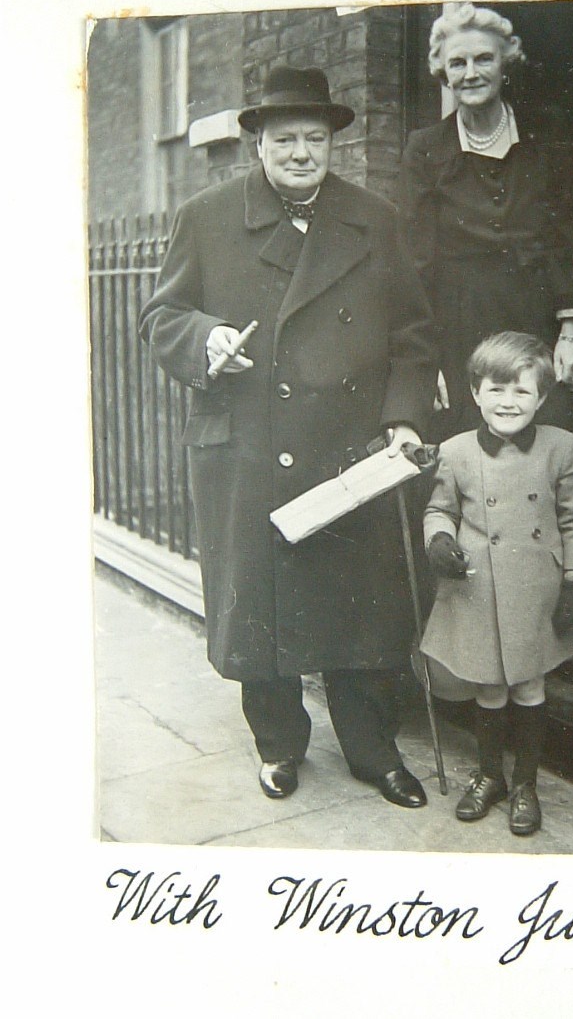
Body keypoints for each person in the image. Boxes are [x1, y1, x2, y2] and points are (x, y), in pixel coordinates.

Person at [139, 66, 437, 809]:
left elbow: (413, 333)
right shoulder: (207, 217)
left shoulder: (374, 218)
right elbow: (161, 317)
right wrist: (207, 340)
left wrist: (403, 418)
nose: (301, 153)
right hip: (251, 443)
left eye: (314, 139)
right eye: (284, 140)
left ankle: (373, 752)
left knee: (359, 611)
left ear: (334, 143)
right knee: (263, 611)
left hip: (350, 450)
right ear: (258, 145)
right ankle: (278, 746)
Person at [420, 332, 573, 835]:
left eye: (522, 390)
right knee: (489, 685)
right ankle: (490, 776)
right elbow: (439, 508)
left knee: (529, 683)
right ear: (475, 393)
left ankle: (525, 784)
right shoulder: (455, 451)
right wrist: (439, 539)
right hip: (477, 585)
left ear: (542, 397)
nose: (508, 402)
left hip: (535, 586)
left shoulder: (561, 447)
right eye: (496, 389)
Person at [398, 2, 573, 439]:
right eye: (458, 63)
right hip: (458, 328)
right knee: (468, 448)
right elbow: (415, 261)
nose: (471, 73)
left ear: (505, 64)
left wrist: (572, 332)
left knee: (545, 444)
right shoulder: (425, 149)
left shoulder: (545, 139)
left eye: (483, 59)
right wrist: (426, 363)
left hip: (537, 321)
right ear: (443, 72)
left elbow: (569, 237)